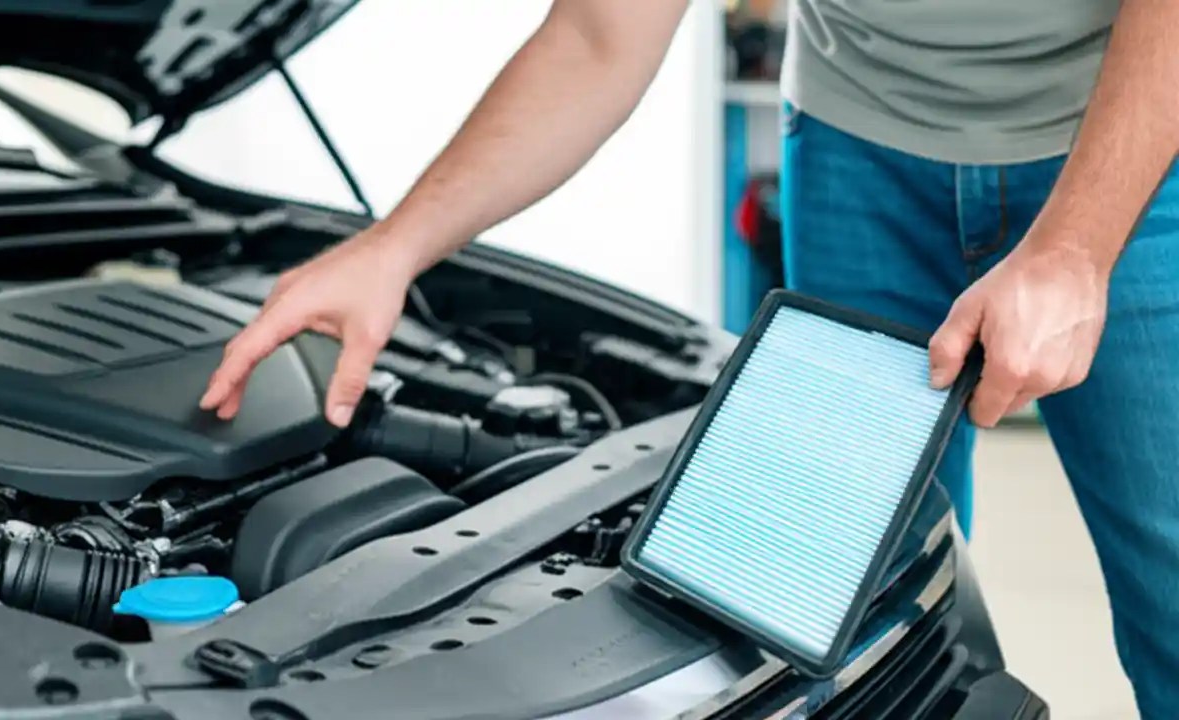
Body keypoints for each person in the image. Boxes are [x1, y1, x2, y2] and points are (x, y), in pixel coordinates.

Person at [199, 1, 1179, 715]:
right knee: (857, 587)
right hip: (857, 136)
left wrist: (1072, 248)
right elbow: (597, 37)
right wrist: (392, 246)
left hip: (1131, 140)